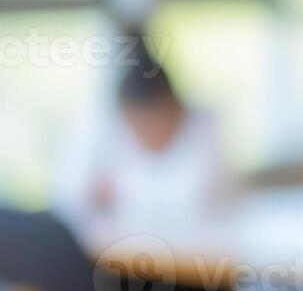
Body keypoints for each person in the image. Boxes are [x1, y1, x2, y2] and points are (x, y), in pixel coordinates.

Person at [53, 28, 232, 239]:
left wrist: (122, 190)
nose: (148, 135)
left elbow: (197, 199)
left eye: (155, 124)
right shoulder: (100, 127)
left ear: (174, 109)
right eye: (138, 127)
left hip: (196, 249)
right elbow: (70, 198)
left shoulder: (204, 126)